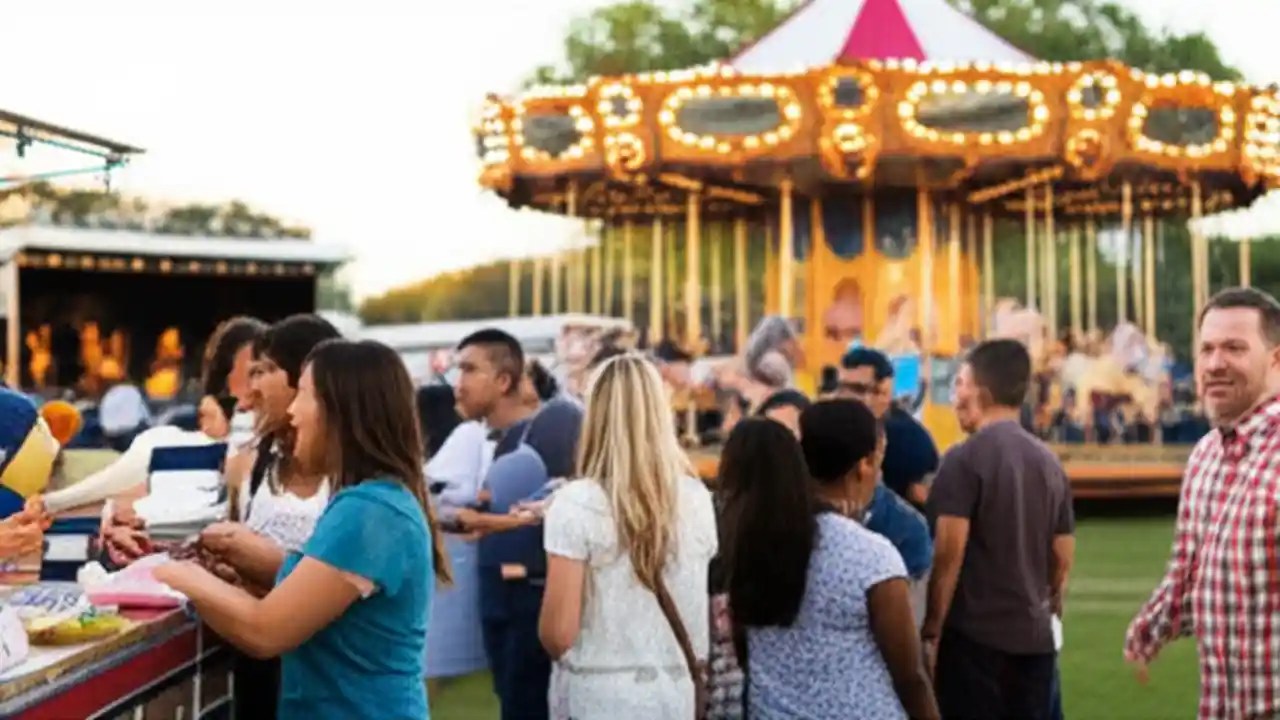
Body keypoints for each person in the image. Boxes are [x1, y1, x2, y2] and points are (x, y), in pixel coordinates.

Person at [156, 339, 451, 720]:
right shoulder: (373, 503)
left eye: (305, 395)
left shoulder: (370, 512)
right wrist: (232, 574)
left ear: (341, 411)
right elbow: (316, 600)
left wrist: (173, 572)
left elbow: (265, 630)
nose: (292, 411)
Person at [719, 406, 936, 718]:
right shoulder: (871, 556)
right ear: (864, 465)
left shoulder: (752, 542)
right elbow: (910, 677)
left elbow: (744, 649)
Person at [1125, 287, 1280, 719]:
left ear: (1276, 360)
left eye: (1234, 348)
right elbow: (1189, 573)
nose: (1215, 364)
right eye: (1206, 349)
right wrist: (1150, 627)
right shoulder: (1206, 456)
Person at [540, 353, 717, 719]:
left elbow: (559, 634)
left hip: (601, 695)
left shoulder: (576, 503)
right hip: (675, 692)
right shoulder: (696, 498)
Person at [924, 339, 1074, 720]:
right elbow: (1061, 560)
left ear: (982, 392)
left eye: (960, 384)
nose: (955, 396)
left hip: (975, 643)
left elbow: (948, 554)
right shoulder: (1050, 464)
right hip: (1034, 641)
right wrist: (1047, 612)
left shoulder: (963, 460)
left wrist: (932, 631)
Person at [198, 314, 339, 720]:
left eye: (266, 371)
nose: (252, 389)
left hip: (329, 677)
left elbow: (339, 585)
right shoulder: (254, 464)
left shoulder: (361, 484)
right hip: (260, 671)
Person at [450, 329, 543, 718]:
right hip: (499, 597)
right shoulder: (491, 440)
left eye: (470, 370)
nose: (459, 385)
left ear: (503, 381)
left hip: (531, 600)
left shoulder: (546, 434)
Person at [840, 347, 937, 509]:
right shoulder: (835, 429)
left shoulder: (908, 438)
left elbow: (922, 498)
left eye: (858, 389)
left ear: (883, 393)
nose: (846, 396)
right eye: (842, 387)